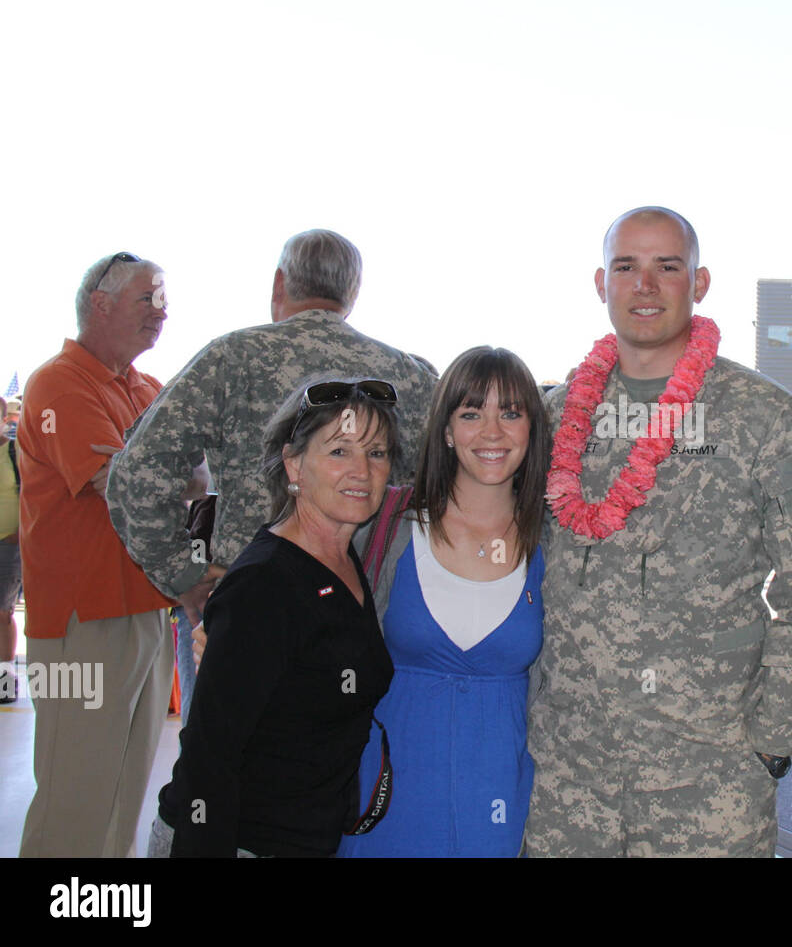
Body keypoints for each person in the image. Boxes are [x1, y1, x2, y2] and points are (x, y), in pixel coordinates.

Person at [525, 206, 792, 857]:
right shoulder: (552, 415)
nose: (645, 285)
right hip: (569, 780)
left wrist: (774, 731)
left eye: (668, 266)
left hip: (706, 779)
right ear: (601, 285)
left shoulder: (764, 417)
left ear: (701, 282)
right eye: (626, 267)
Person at [106, 229, 437, 639]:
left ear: (281, 282)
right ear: (352, 291)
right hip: (367, 611)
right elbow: (440, 493)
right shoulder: (408, 377)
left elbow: (137, 471)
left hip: (251, 602)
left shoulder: (230, 359)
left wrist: (181, 573)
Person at [149, 380, 397, 856]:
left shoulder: (343, 560)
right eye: (340, 450)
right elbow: (209, 752)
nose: (362, 470)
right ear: (293, 465)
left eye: (377, 452)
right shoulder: (265, 583)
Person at [337, 346, 548, 857]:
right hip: (386, 786)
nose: (492, 432)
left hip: (498, 797)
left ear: (531, 430)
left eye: (511, 413)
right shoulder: (386, 524)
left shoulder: (556, 541)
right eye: (471, 413)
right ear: (447, 430)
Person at [18, 252, 176, 857]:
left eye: (164, 301)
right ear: (99, 304)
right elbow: (123, 482)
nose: (162, 314)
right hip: (82, 622)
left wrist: (167, 473)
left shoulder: (148, 389)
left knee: (122, 803)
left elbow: (195, 476)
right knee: (73, 801)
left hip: (146, 611)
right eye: (148, 300)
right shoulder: (59, 382)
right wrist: (169, 472)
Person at [0, 396, 20, 704]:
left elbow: (33, 492)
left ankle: (5, 681)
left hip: (9, 544)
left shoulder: (15, 451)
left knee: (2, 613)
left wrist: (19, 534)